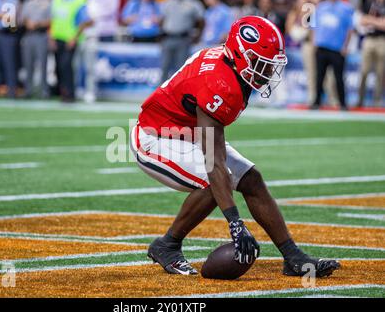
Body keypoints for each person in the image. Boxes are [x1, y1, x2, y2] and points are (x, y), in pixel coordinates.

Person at [130, 16, 340, 277]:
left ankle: (293, 257)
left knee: (251, 179)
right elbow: (213, 163)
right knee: (216, 180)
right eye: (260, 64)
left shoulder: (230, 65)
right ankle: (168, 244)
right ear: (241, 55)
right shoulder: (219, 83)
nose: (265, 71)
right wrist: (235, 223)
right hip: (156, 137)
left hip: (187, 131)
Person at [311, 0, 354, 110]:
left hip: (337, 49)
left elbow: (350, 28)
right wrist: (314, 42)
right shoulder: (320, 6)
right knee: (319, 77)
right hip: (321, 47)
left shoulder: (346, 8)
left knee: (339, 78)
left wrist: (345, 46)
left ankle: (343, 103)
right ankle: (317, 102)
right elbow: (313, 25)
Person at [50, 0, 93, 102]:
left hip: (70, 40)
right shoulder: (57, 0)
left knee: (66, 67)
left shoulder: (79, 2)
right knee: (58, 67)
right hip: (57, 38)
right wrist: (51, 37)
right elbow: (53, 19)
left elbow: (84, 22)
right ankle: (62, 92)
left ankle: (69, 94)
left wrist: (75, 37)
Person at [159, 0, 205, 83]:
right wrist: (160, 36)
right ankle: (161, 91)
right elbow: (161, 20)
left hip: (183, 39)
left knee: (181, 68)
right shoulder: (168, 3)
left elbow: (201, 20)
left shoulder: (193, 3)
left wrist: (198, 36)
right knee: (164, 66)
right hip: (168, 38)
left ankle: (179, 92)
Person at [20, 0, 51, 98]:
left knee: (43, 65)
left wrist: (37, 24)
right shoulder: (27, 3)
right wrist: (27, 23)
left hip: (41, 35)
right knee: (28, 65)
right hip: (28, 35)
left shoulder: (47, 3)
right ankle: (28, 90)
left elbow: (51, 20)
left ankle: (44, 91)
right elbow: (21, 19)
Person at [357, 0, 385, 107]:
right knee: (364, 71)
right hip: (368, 39)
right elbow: (362, 21)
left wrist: (371, 21)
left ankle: (377, 101)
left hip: (382, 40)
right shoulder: (368, 2)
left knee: (380, 72)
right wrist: (378, 22)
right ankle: (360, 100)